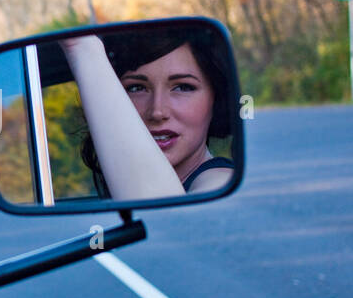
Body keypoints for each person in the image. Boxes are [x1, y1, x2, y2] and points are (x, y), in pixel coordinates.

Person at [60, 28, 235, 199]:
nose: (157, 112)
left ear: (216, 100)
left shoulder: (222, 181)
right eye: (136, 88)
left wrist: (82, 49)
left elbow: (170, 218)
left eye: (183, 87)